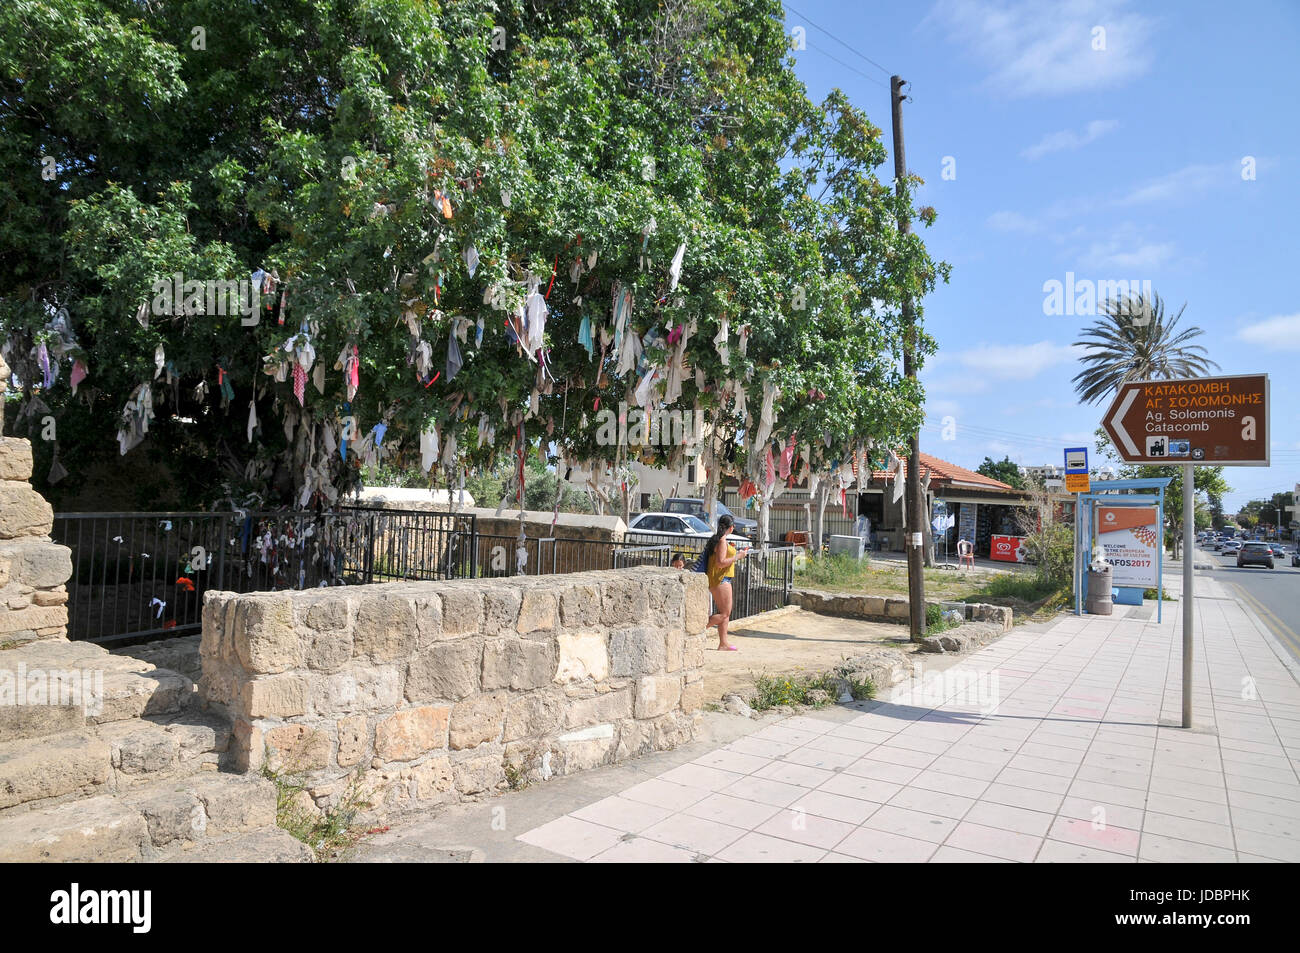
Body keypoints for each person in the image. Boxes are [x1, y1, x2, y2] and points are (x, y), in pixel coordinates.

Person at [703, 515, 746, 651]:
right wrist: (738, 557)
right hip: (721, 579)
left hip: (719, 578)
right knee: (725, 614)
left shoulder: (717, 539)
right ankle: (698, 629)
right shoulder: (721, 541)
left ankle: (723, 643)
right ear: (731, 527)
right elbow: (720, 563)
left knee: (724, 612)